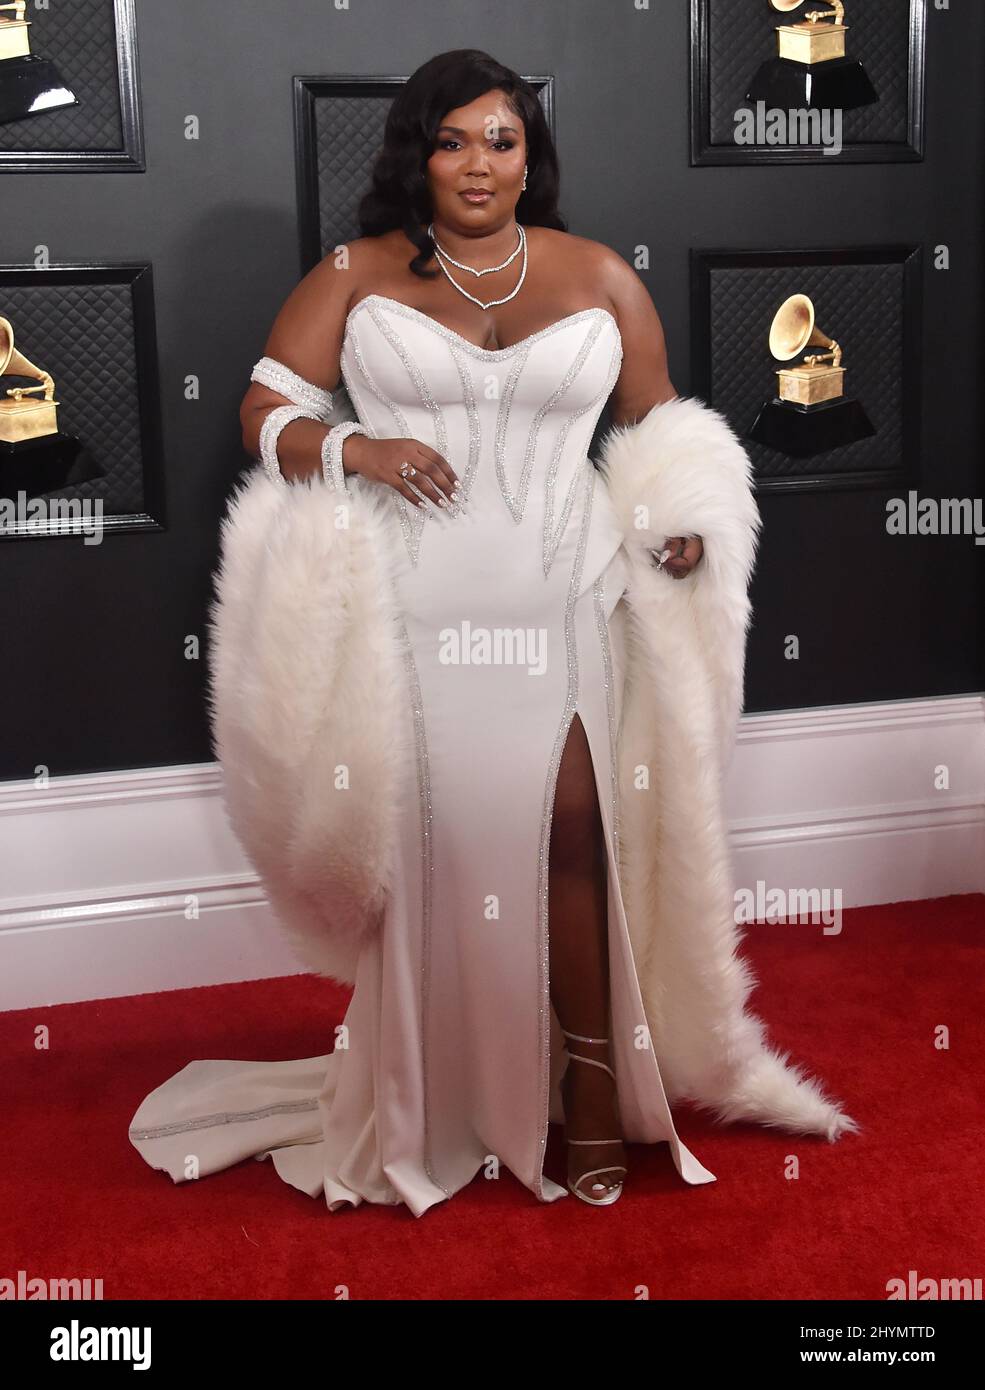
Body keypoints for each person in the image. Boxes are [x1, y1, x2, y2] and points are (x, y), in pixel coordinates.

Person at [129, 49, 855, 1218]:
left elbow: (661, 425)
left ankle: (586, 1090)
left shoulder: (598, 275)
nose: (478, 163)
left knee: (574, 838)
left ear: (531, 156)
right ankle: (435, 1094)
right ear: (417, 154)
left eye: (501, 140)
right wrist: (357, 449)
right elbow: (266, 411)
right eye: (453, 139)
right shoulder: (353, 275)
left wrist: (678, 524)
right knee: (439, 857)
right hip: (414, 619)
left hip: (566, 601)